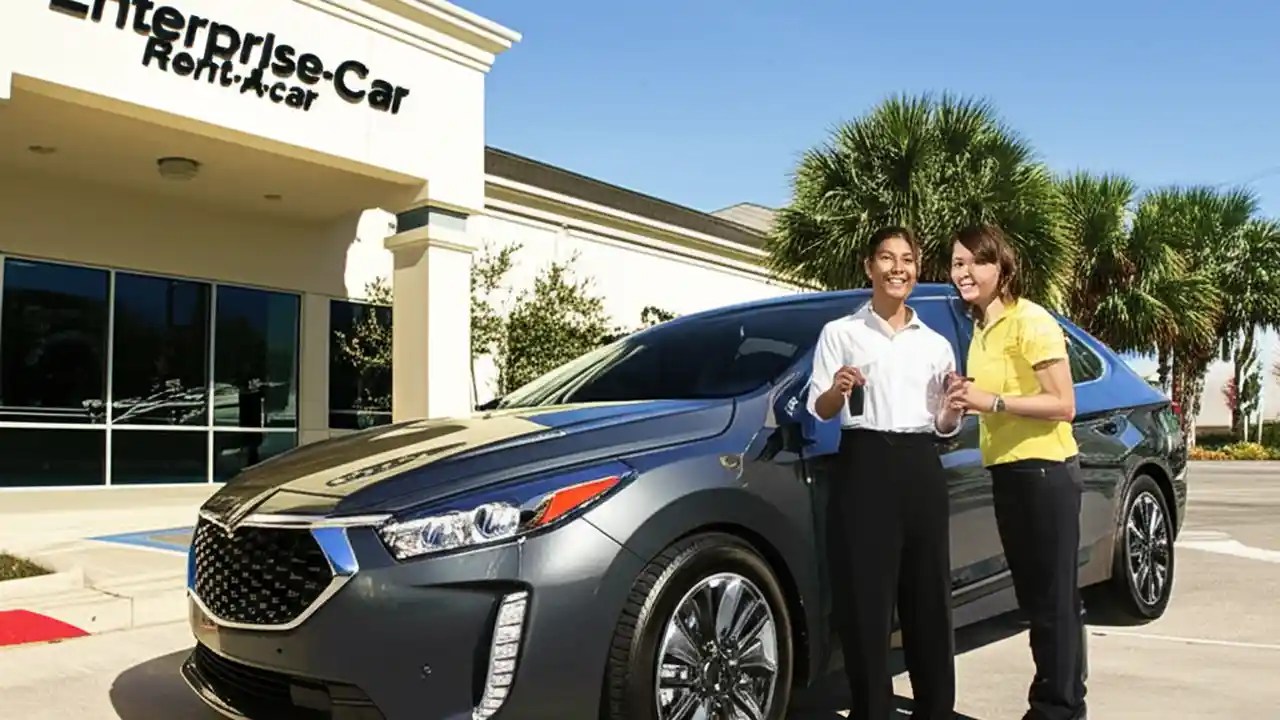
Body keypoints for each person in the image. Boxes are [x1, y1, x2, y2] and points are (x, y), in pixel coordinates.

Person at [806, 225, 967, 720]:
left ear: (917, 269)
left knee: (928, 597)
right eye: (887, 258)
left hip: (921, 464)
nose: (898, 268)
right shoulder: (841, 334)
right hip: (865, 463)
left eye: (908, 259)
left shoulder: (936, 343)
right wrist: (838, 387)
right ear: (869, 267)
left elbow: (943, 424)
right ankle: (871, 708)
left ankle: (935, 708)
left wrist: (954, 407)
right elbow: (821, 407)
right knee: (866, 601)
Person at [945, 223, 1087, 720]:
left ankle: (1059, 708)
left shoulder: (1031, 321)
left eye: (976, 262)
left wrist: (993, 401)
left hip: (1045, 472)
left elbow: (1063, 403)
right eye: (958, 263)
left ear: (1002, 268)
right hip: (1007, 473)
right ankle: (1055, 701)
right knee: (1036, 600)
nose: (965, 272)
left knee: (1054, 603)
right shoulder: (981, 330)